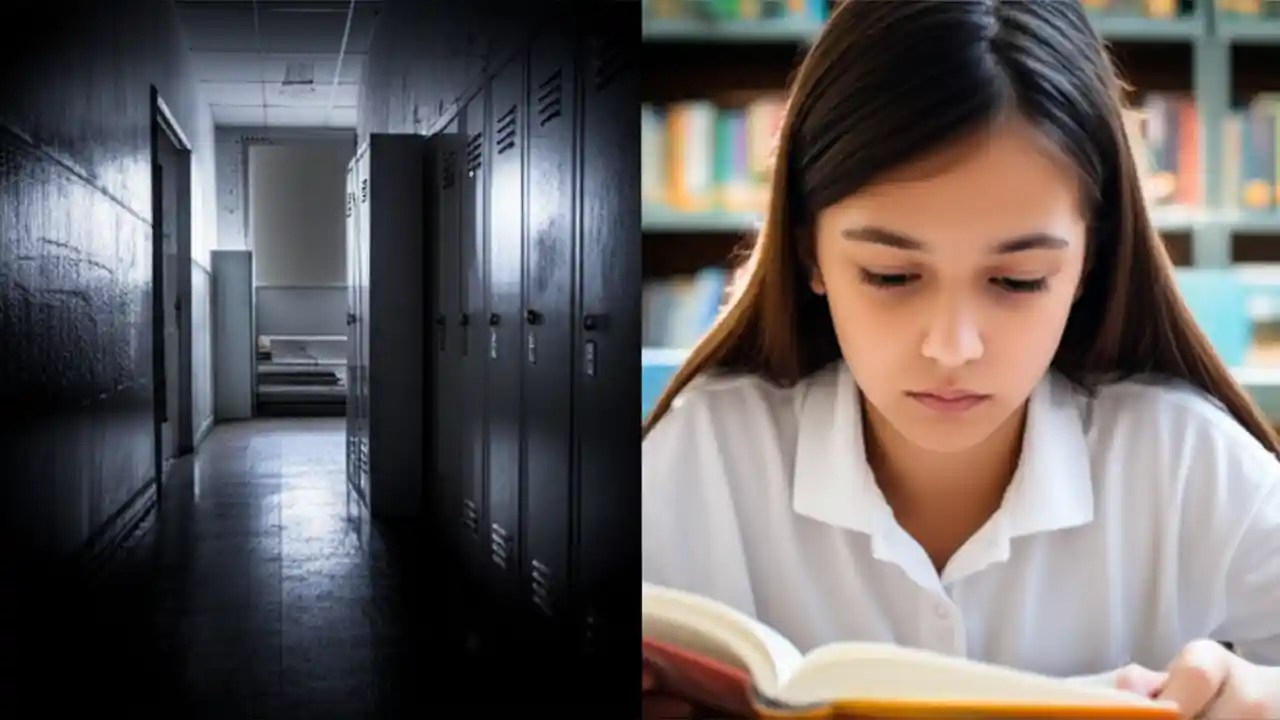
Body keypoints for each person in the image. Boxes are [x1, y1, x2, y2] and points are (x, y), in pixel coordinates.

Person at [640, 1, 1280, 718]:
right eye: (890, 275)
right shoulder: (704, 460)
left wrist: (1261, 697)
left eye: (1017, 281)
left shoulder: (1187, 465)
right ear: (807, 250)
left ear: (1088, 264)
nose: (952, 347)